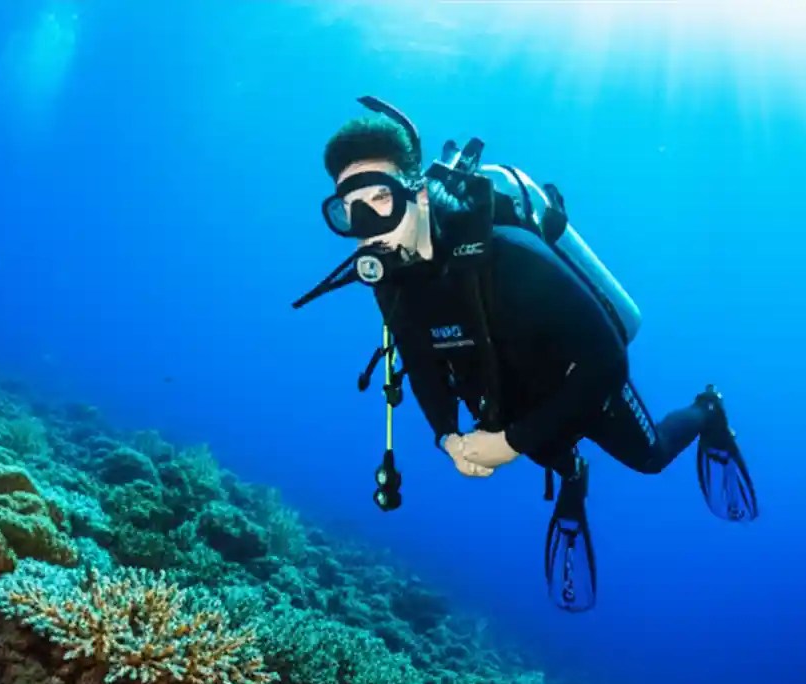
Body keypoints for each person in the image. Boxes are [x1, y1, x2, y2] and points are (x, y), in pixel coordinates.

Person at [293, 97, 758, 612]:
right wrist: (447, 435)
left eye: (379, 198)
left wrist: (511, 444)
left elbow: (608, 360)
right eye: (347, 210)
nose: (366, 225)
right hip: (509, 399)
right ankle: (570, 471)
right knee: (548, 450)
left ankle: (708, 409)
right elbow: (421, 364)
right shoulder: (392, 282)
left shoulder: (508, 253)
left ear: (419, 194)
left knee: (648, 459)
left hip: (583, 379)